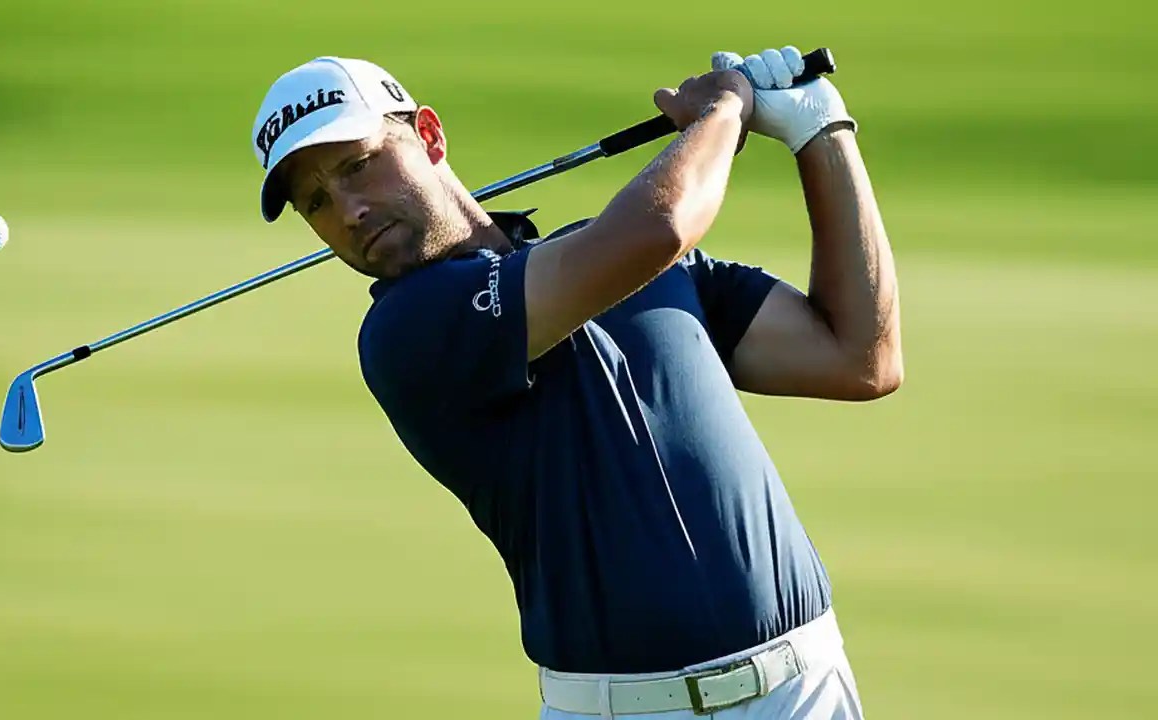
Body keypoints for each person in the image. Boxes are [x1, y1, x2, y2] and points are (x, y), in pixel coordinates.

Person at [249, 46, 902, 719]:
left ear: (428, 135)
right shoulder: (407, 330)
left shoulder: (644, 270)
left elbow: (860, 356)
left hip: (807, 690)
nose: (349, 210)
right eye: (317, 200)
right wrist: (725, 109)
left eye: (358, 165)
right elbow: (661, 223)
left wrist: (820, 133)